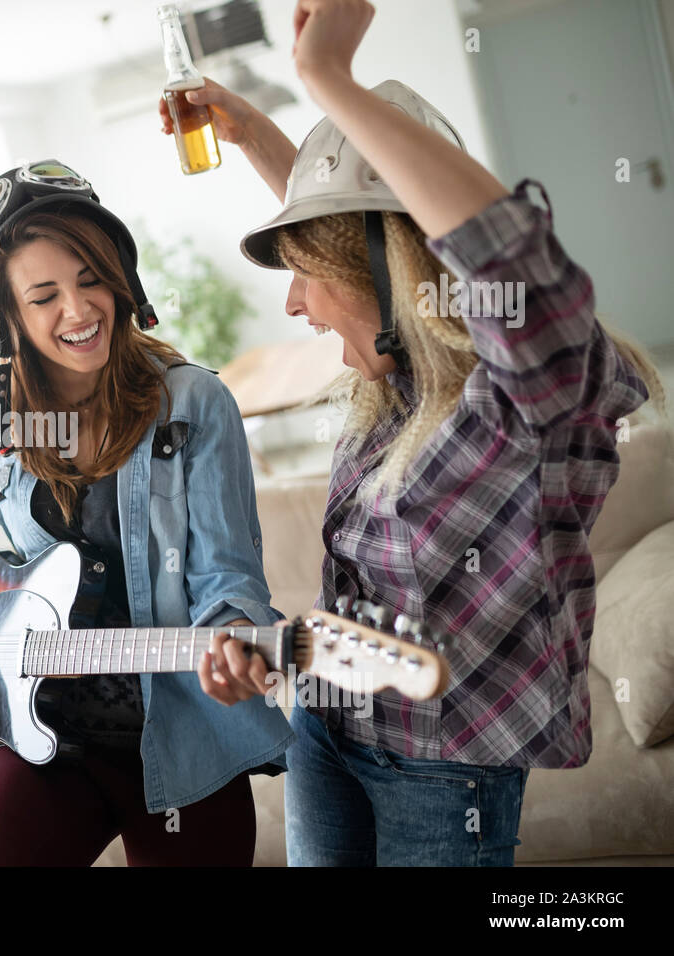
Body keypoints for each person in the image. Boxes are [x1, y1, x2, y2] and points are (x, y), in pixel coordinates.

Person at [161, 0, 665, 865]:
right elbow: (362, 230)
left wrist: (329, 79)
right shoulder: (397, 380)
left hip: (445, 773)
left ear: (381, 279)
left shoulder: (524, 403)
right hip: (330, 727)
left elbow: (511, 269)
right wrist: (254, 136)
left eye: (308, 278)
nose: (294, 304)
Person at [0, 161, 293, 866]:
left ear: (120, 280)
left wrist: (232, 640)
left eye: (90, 280)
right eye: (44, 296)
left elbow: (229, 577)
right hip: (44, 742)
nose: (79, 311)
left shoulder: (193, 405)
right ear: (5, 319)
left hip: (183, 742)